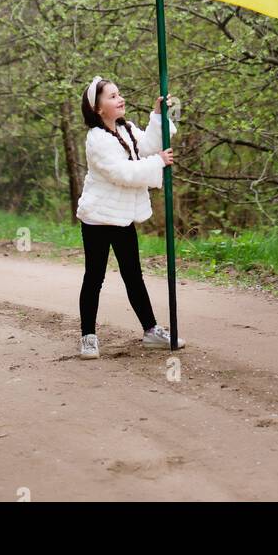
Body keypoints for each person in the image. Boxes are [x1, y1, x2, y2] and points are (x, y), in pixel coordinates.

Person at [76, 75, 185, 358]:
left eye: (119, 94)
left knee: (133, 275)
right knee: (94, 276)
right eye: (112, 97)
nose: (120, 99)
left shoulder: (126, 129)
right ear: (98, 109)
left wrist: (158, 115)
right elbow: (123, 173)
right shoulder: (97, 139)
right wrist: (158, 162)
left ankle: (150, 331)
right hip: (98, 218)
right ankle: (88, 336)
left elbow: (147, 147)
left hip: (122, 217)